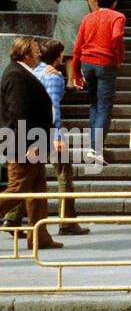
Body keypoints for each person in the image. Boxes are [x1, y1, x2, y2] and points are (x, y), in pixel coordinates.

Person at [0, 38, 61, 249]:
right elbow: (20, 113)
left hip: (31, 142)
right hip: (24, 144)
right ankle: (39, 236)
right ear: (26, 54)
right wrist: (33, 142)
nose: (39, 54)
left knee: (37, 189)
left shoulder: (22, 73)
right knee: (19, 189)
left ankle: (39, 236)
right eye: (35, 50)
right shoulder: (17, 76)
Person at [31, 40, 89, 235]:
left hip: (32, 129)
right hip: (49, 131)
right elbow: (54, 107)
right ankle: (67, 221)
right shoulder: (54, 78)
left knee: (29, 175)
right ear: (58, 57)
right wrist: (56, 135)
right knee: (64, 174)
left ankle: (12, 217)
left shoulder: (35, 72)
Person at [70, 0, 126, 159]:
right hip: (106, 62)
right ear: (114, 3)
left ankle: (93, 145)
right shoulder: (117, 17)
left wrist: (76, 74)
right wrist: (119, 57)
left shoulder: (88, 18)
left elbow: (78, 45)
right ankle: (95, 148)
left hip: (87, 62)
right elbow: (116, 37)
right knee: (104, 107)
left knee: (94, 104)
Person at [53, 0, 99, 84]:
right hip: (80, 7)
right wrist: (96, 15)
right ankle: (79, 79)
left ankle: (70, 82)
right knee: (82, 43)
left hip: (64, 8)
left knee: (68, 45)